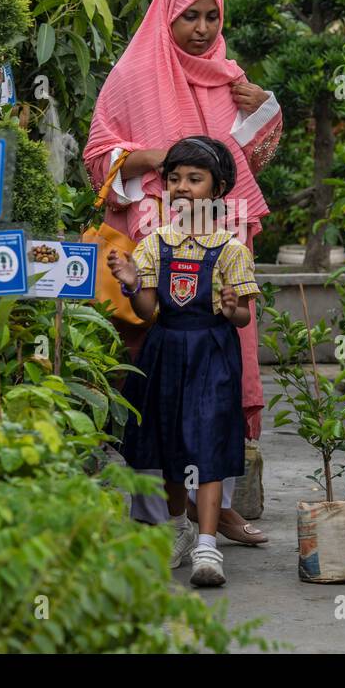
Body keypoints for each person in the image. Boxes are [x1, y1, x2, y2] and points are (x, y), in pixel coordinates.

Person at [84, 0, 282, 544]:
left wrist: (262, 109)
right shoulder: (134, 74)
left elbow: (249, 163)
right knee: (164, 378)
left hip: (220, 245)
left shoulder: (229, 74)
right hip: (157, 245)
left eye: (211, 15)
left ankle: (211, 509)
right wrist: (157, 158)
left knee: (216, 376)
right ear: (165, 15)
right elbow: (99, 157)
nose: (201, 28)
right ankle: (177, 509)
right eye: (188, 16)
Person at [107, 136, 260, 586]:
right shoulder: (154, 244)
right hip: (167, 354)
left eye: (195, 178)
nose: (182, 186)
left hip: (212, 356)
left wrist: (230, 306)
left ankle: (208, 548)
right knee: (172, 444)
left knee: (209, 442)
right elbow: (148, 313)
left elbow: (243, 316)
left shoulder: (232, 250)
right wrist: (134, 283)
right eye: (174, 178)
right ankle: (178, 525)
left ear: (218, 189)